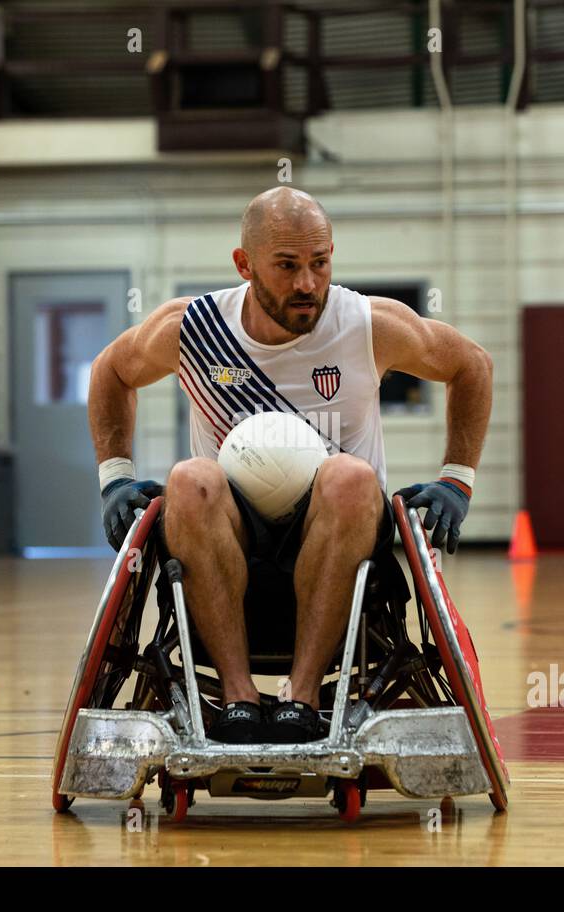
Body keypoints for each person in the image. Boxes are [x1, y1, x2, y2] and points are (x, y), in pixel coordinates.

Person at [88, 186, 493, 743]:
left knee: (350, 475)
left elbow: (471, 364)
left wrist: (457, 480)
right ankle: (239, 698)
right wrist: (115, 478)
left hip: (340, 530)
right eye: (287, 266)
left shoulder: (367, 323)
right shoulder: (195, 328)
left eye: (319, 263)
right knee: (189, 478)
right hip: (227, 537)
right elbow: (111, 371)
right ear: (245, 264)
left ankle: (299, 698)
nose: (307, 283)